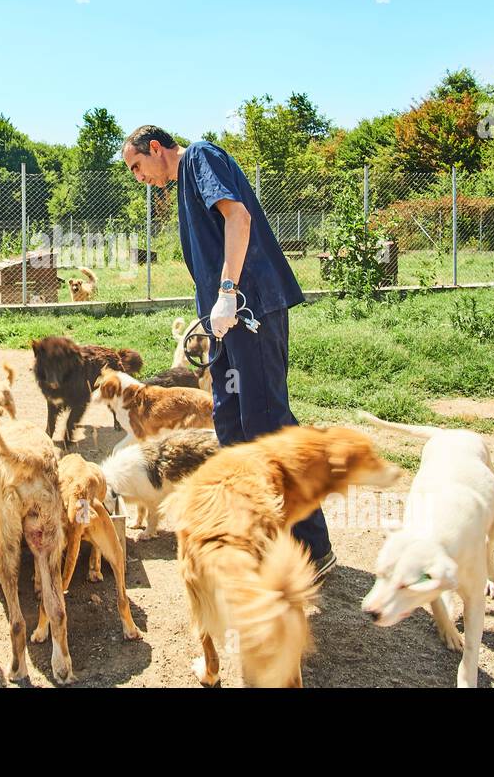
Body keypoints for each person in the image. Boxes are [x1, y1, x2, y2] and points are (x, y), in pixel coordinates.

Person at [121, 125, 334, 577]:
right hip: (226, 323)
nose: (139, 178)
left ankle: (313, 547)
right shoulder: (181, 188)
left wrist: (226, 291)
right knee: (231, 424)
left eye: (137, 167)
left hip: (250, 308)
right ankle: (259, 535)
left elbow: (238, 218)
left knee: (267, 423)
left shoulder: (200, 158)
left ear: (155, 149)